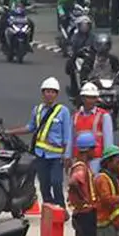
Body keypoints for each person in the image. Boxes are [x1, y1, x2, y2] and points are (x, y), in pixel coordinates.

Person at [70, 134, 114, 236]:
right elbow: (74, 182)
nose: (96, 151)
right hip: (84, 213)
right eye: (93, 148)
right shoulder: (81, 168)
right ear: (87, 149)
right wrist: (84, 199)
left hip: (83, 213)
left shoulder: (81, 165)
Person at [30, 78, 72, 208]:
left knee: (56, 182)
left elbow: (67, 135)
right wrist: (11, 132)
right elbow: (30, 127)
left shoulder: (63, 111)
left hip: (56, 157)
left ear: (56, 94)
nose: (49, 94)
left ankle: (61, 209)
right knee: (44, 184)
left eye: (52, 92)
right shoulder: (37, 110)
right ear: (43, 93)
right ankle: (48, 209)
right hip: (41, 155)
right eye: (47, 92)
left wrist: (66, 155)